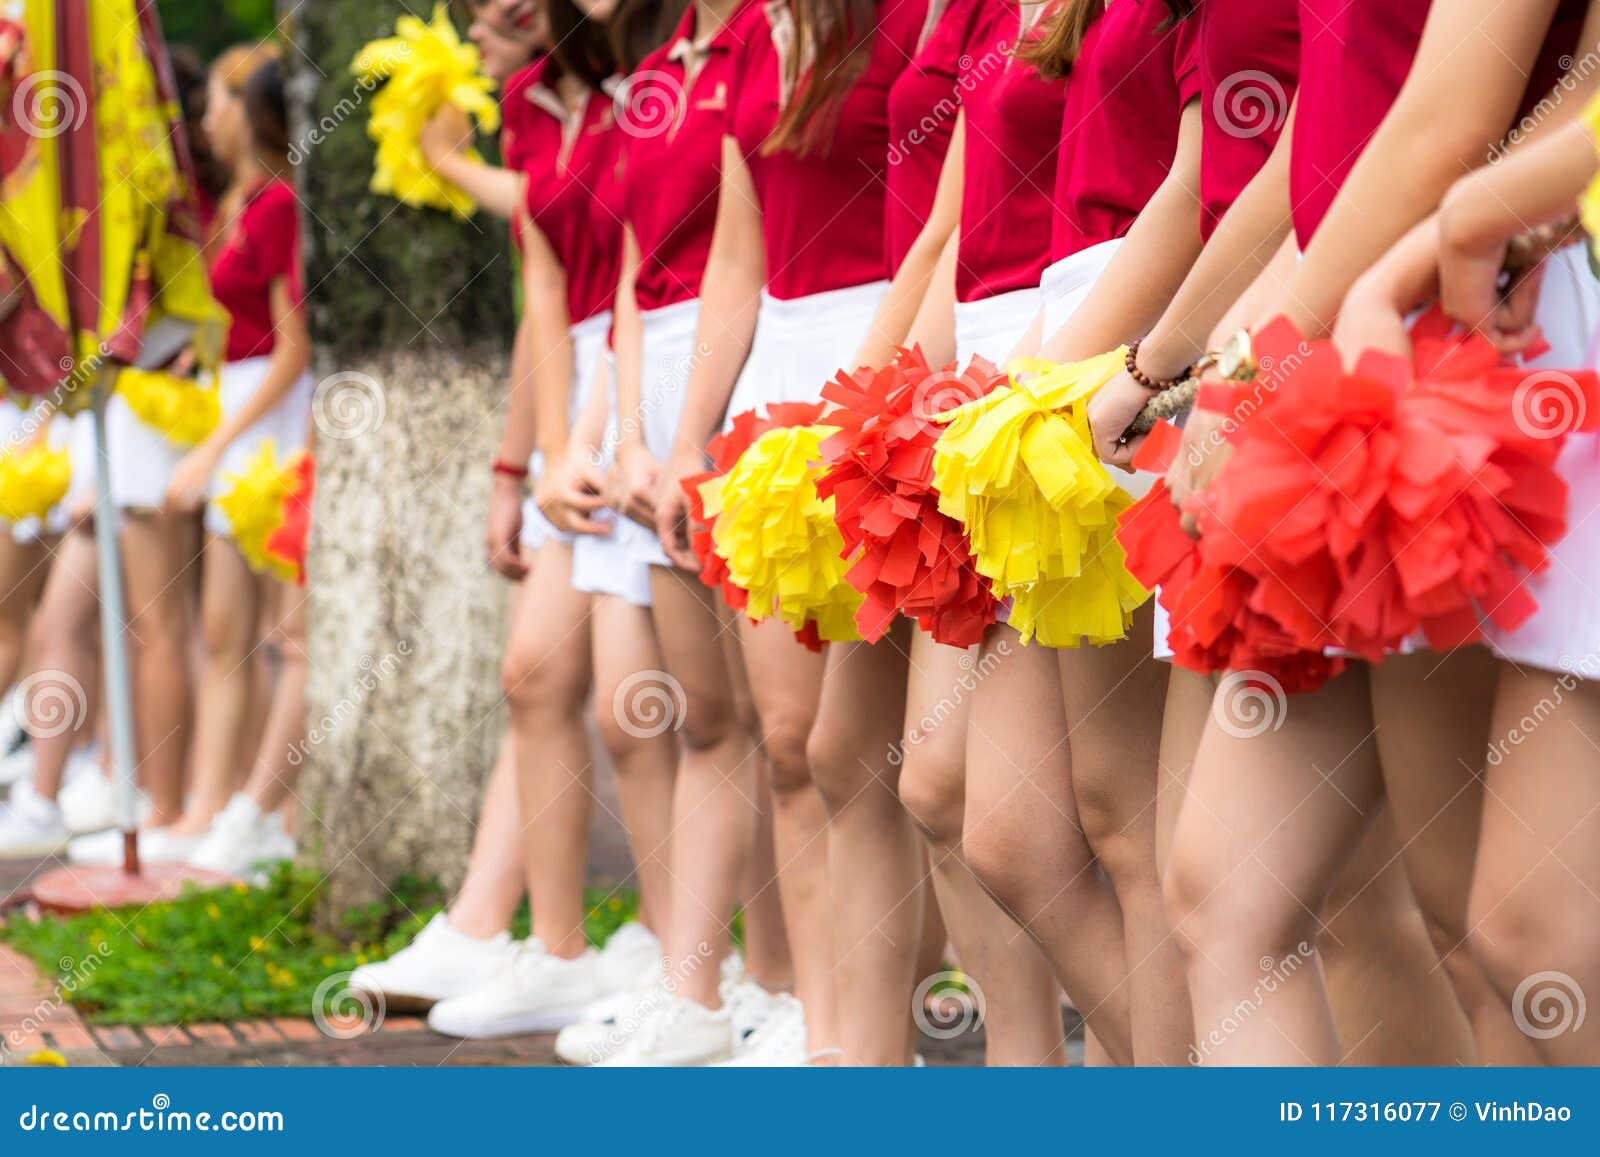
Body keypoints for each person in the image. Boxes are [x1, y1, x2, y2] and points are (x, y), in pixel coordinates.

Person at [1162, 0, 1591, 1065]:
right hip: (1372, 325)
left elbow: (1456, 116)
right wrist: (1235, 351)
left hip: (1480, 342)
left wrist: (1274, 358)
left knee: (1509, 932)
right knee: (1230, 891)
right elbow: (1333, 141)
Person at [641, 0, 938, 1066]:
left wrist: (865, 402)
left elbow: (940, 224)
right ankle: (824, 1021)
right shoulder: (759, 33)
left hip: (890, 369)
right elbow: (737, 253)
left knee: (888, 752)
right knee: (792, 739)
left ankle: (888, 1019)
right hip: (774, 387)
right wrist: (691, 437)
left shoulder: (914, 23)